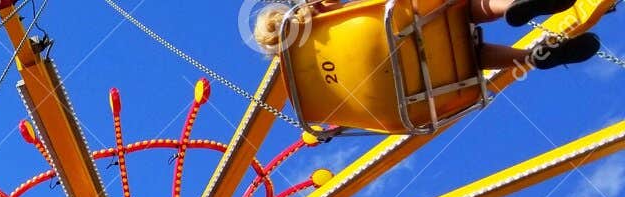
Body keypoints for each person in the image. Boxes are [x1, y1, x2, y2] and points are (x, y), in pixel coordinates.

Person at [253, 0, 599, 72]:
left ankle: (528, 58)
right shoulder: (327, 16)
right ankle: (513, 5)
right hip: (422, 25)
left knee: (473, 58)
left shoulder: (309, 76)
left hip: (422, 81)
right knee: (468, 6)